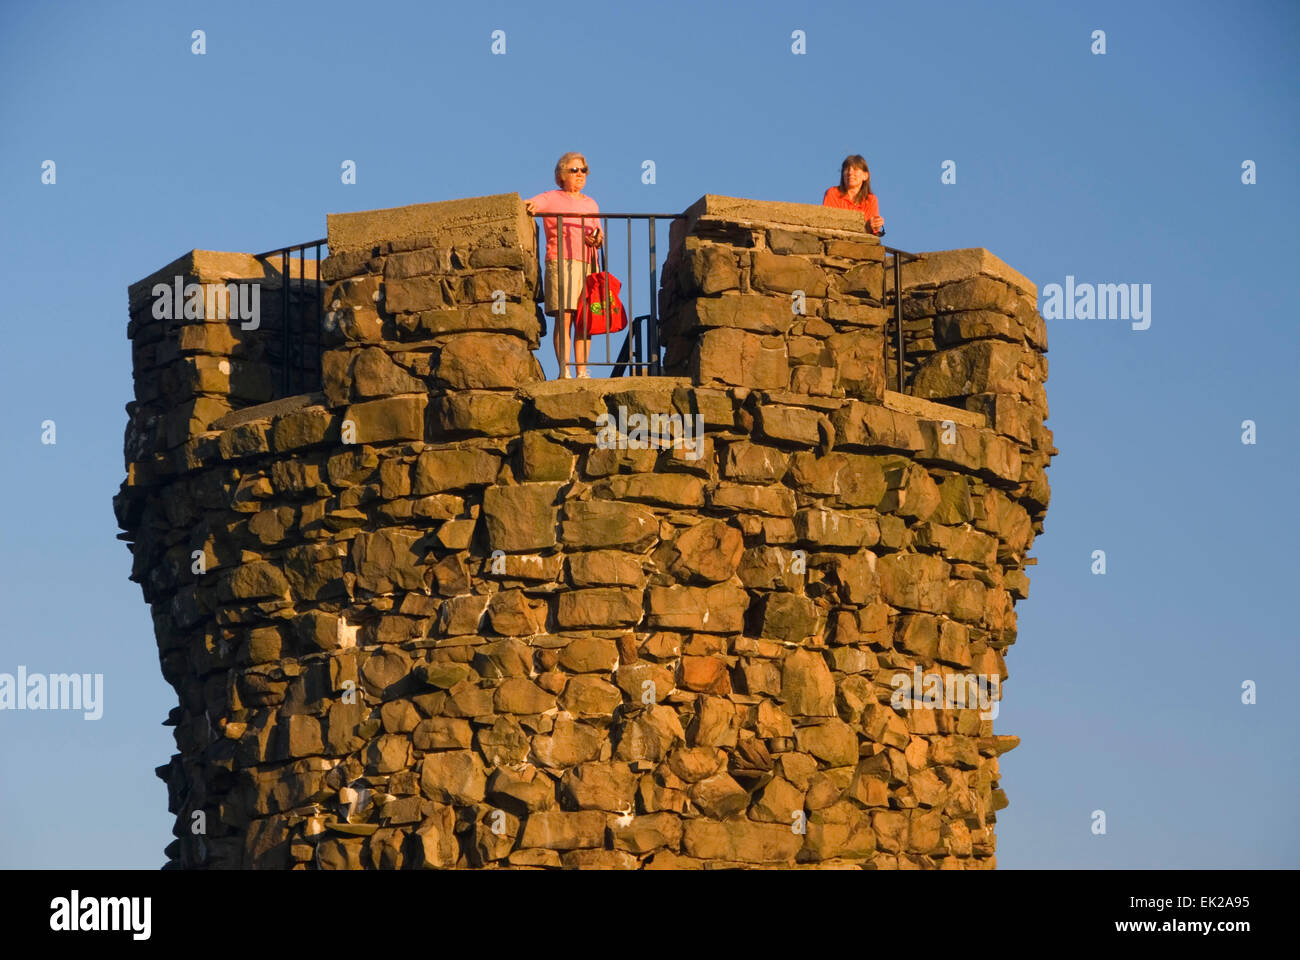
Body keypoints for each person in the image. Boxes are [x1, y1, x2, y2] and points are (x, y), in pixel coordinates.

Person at [524, 153, 603, 378]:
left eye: (583, 170)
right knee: (565, 316)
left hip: (587, 263)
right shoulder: (552, 197)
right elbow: (530, 205)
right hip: (561, 261)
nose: (580, 174)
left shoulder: (591, 203)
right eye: (574, 170)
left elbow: (598, 233)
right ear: (561, 175)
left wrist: (597, 237)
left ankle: (582, 371)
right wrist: (528, 206)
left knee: (584, 319)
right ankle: (564, 370)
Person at [822, 155, 884, 236]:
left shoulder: (870, 199)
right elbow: (828, 221)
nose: (850, 172)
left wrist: (875, 224)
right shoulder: (833, 193)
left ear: (865, 176)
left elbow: (872, 231)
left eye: (855, 169)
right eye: (847, 169)